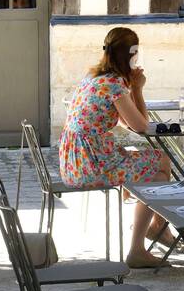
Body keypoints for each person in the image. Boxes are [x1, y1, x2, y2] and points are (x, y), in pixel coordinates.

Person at [59, 26, 172, 269]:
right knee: (161, 164)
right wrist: (138, 89)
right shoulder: (114, 85)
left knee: (157, 171)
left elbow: (128, 122)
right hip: (93, 165)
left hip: (74, 162)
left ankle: (157, 230)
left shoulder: (94, 78)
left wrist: (131, 88)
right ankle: (142, 244)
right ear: (132, 56)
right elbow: (141, 126)